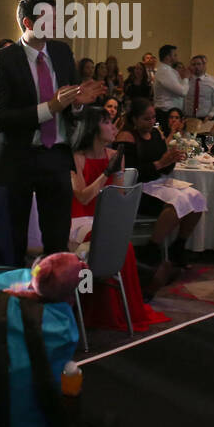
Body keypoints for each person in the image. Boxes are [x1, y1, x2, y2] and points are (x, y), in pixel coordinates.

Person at [0, 0, 105, 263]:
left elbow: (72, 105)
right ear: (28, 22)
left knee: (57, 241)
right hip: (17, 158)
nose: (55, 23)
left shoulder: (62, 52)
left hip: (56, 156)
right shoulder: (3, 60)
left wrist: (77, 103)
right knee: (12, 240)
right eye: (47, 18)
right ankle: (13, 300)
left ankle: (55, 301)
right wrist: (50, 107)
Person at [69, 106, 168, 330]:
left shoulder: (114, 156)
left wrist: (116, 173)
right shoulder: (76, 158)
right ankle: (93, 306)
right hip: (78, 220)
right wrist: (106, 173)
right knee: (102, 237)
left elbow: (119, 196)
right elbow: (83, 197)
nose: (114, 128)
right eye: (107, 123)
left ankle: (120, 305)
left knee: (117, 239)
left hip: (101, 219)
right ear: (93, 129)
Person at [114, 98, 204, 271]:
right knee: (177, 202)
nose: (151, 122)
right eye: (146, 119)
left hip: (158, 182)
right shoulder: (127, 137)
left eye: (153, 118)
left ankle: (179, 245)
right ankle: (152, 248)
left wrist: (172, 159)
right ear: (134, 119)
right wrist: (159, 164)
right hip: (137, 188)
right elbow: (129, 173)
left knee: (196, 198)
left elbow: (164, 165)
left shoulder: (156, 134)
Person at [183, 54, 214, 123]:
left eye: (199, 64)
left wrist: (210, 115)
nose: (196, 66)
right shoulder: (186, 80)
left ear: (204, 65)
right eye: (193, 64)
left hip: (206, 119)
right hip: (188, 118)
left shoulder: (212, 81)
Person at [152, 44, 189, 113]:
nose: (177, 57)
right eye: (175, 55)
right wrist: (186, 78)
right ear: (168, 57)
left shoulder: (170, 71)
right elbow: (183, 92)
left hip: (170, 111)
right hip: (166, 111)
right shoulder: (165, 71)